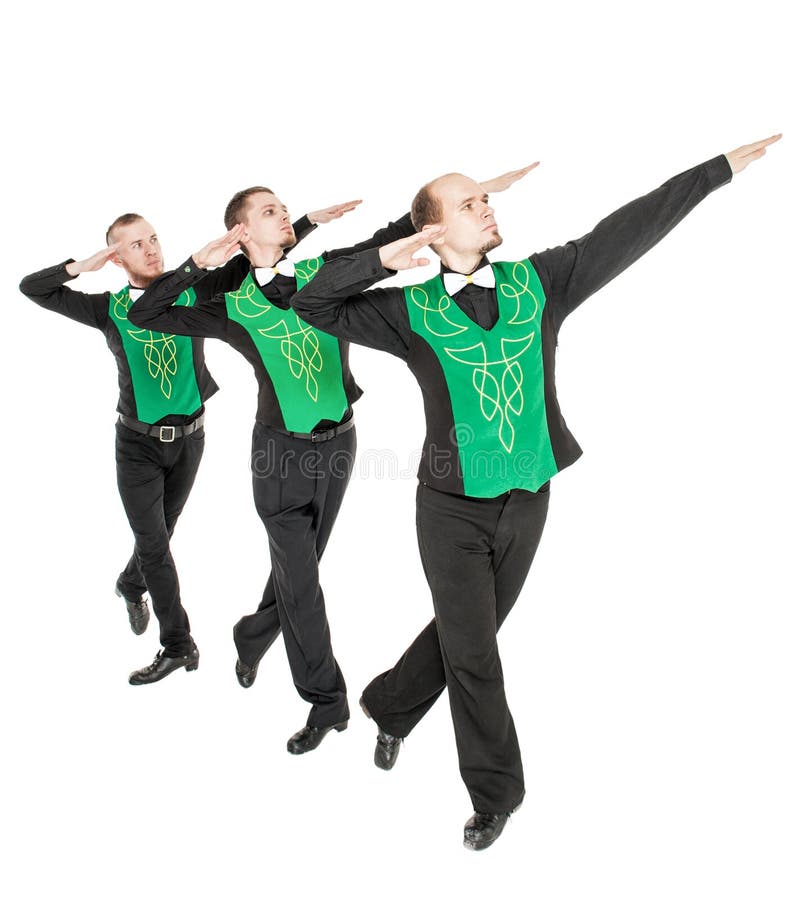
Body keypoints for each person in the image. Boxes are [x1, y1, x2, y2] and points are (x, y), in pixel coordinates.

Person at [290, 135, 781, 848]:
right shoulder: (405, 310)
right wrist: (386, 256)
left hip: (530, 496)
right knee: (476, 656)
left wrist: (715, 172)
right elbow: (312, 300)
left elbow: (626, 229)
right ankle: (498, 792)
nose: (487, 207)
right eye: (469, 202)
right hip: (450, 507)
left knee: (472, 635)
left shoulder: (539, 281)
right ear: (434, 227)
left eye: (486, 197)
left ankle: (391, 704)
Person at [128, 170, 527, 751]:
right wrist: (195, 263)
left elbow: (393, 236)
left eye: (285, 206)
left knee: (300, 571)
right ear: (240, 231)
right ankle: (327, 703)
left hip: (340, 445)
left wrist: (459, 204)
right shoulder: (229, 304)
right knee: (305, 584)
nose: (285, 213)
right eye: (269, 211)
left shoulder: (324, 274)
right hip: (279, 456)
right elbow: (146, 315)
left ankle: (251, 633)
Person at [18, 205, 327, 684]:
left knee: (161, 532)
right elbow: (32, 288)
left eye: (154, 238)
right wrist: (81, 267)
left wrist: (303, 222)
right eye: (136, 244)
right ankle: (178, 644)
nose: (151, 248)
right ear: (118, 258)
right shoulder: (107, 310)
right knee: (155, 544)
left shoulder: (194, 291)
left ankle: (130, 581)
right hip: (136, 446)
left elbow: (258, 257)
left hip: (190, 441)